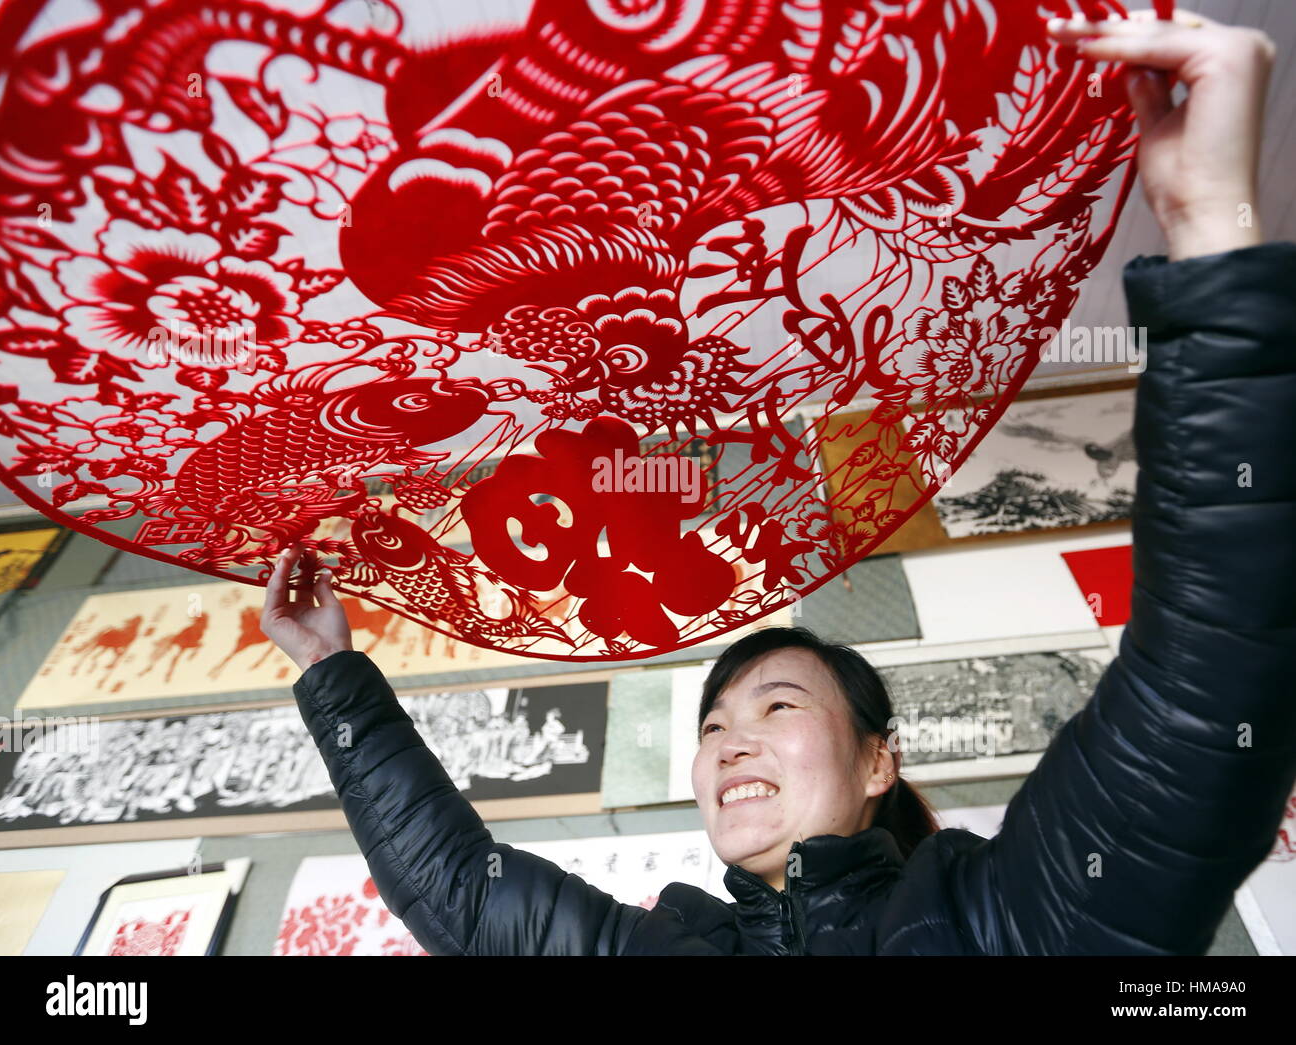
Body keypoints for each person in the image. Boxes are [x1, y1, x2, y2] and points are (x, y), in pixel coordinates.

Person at [261, 9, 1294, 954]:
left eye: (776, 705)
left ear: (878, 762)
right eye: (713, 726)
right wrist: (328, 667)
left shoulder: (999, 918)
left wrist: (1210, 221)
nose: (728, 743)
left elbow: (1197, 701)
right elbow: (456, 888)